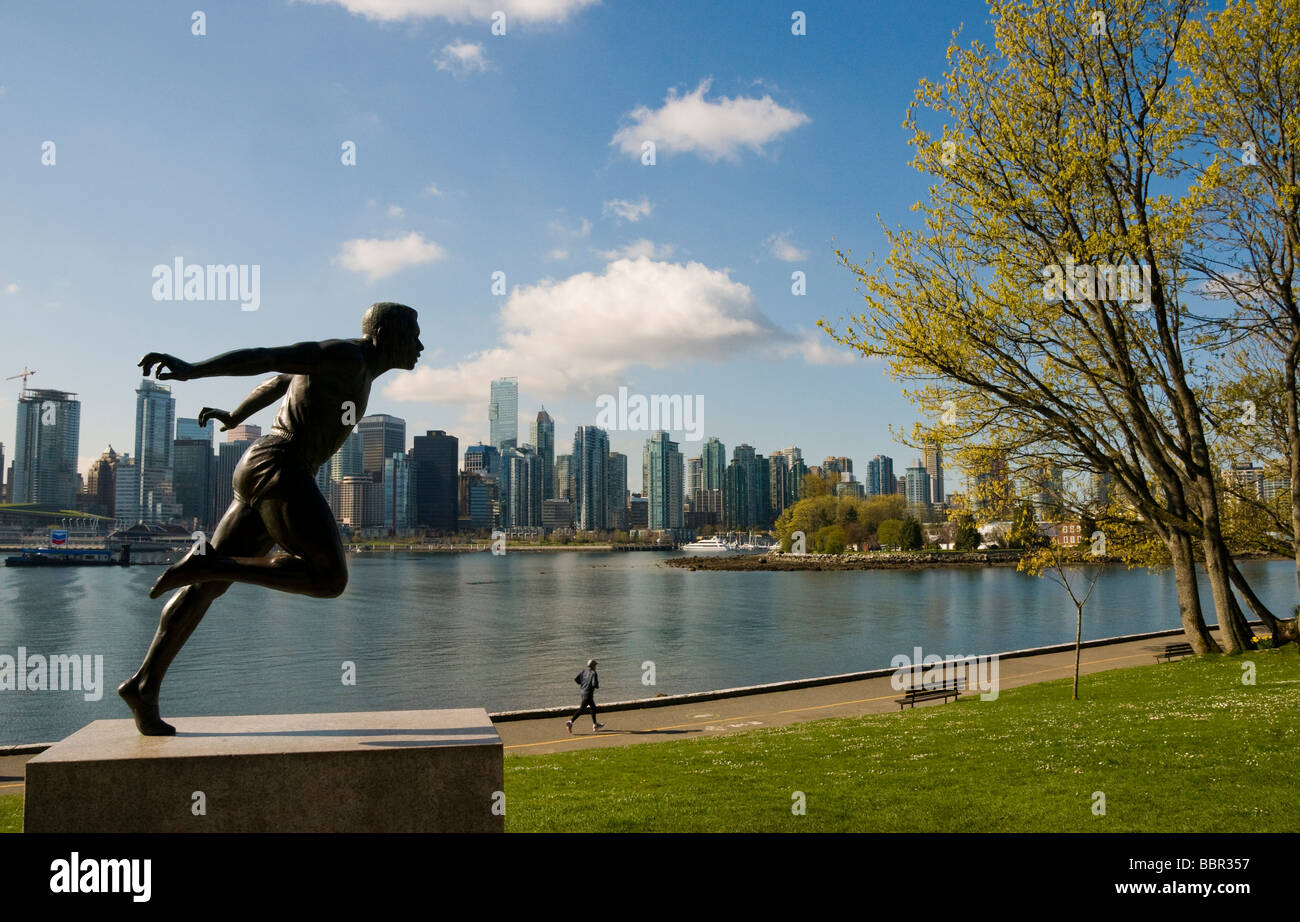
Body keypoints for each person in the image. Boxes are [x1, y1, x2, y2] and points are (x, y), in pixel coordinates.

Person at [117, 302, 423, 736]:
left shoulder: (359, 371)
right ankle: (210, 565)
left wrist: (235, 416)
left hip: (267, 467)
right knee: (328, 578)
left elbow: (279, 382)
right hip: (281, 467)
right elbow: (266, 355)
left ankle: (144, 685)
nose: (420, 345)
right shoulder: (346, 356)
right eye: (413, 335)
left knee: (205, 589)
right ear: (384, 335)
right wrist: (192, 371)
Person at [566, 659, 603, 733]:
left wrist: (584, 684)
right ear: (592, 666)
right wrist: (597, 686)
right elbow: (594, 684)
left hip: (583, 692)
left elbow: (576, 680)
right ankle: (570, 722)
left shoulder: (583, 672)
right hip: (588, 694)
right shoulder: (594, 673)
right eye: (595, 665)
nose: (596, 666)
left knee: (593, 707)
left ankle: (595, 724)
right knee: (582, 709)